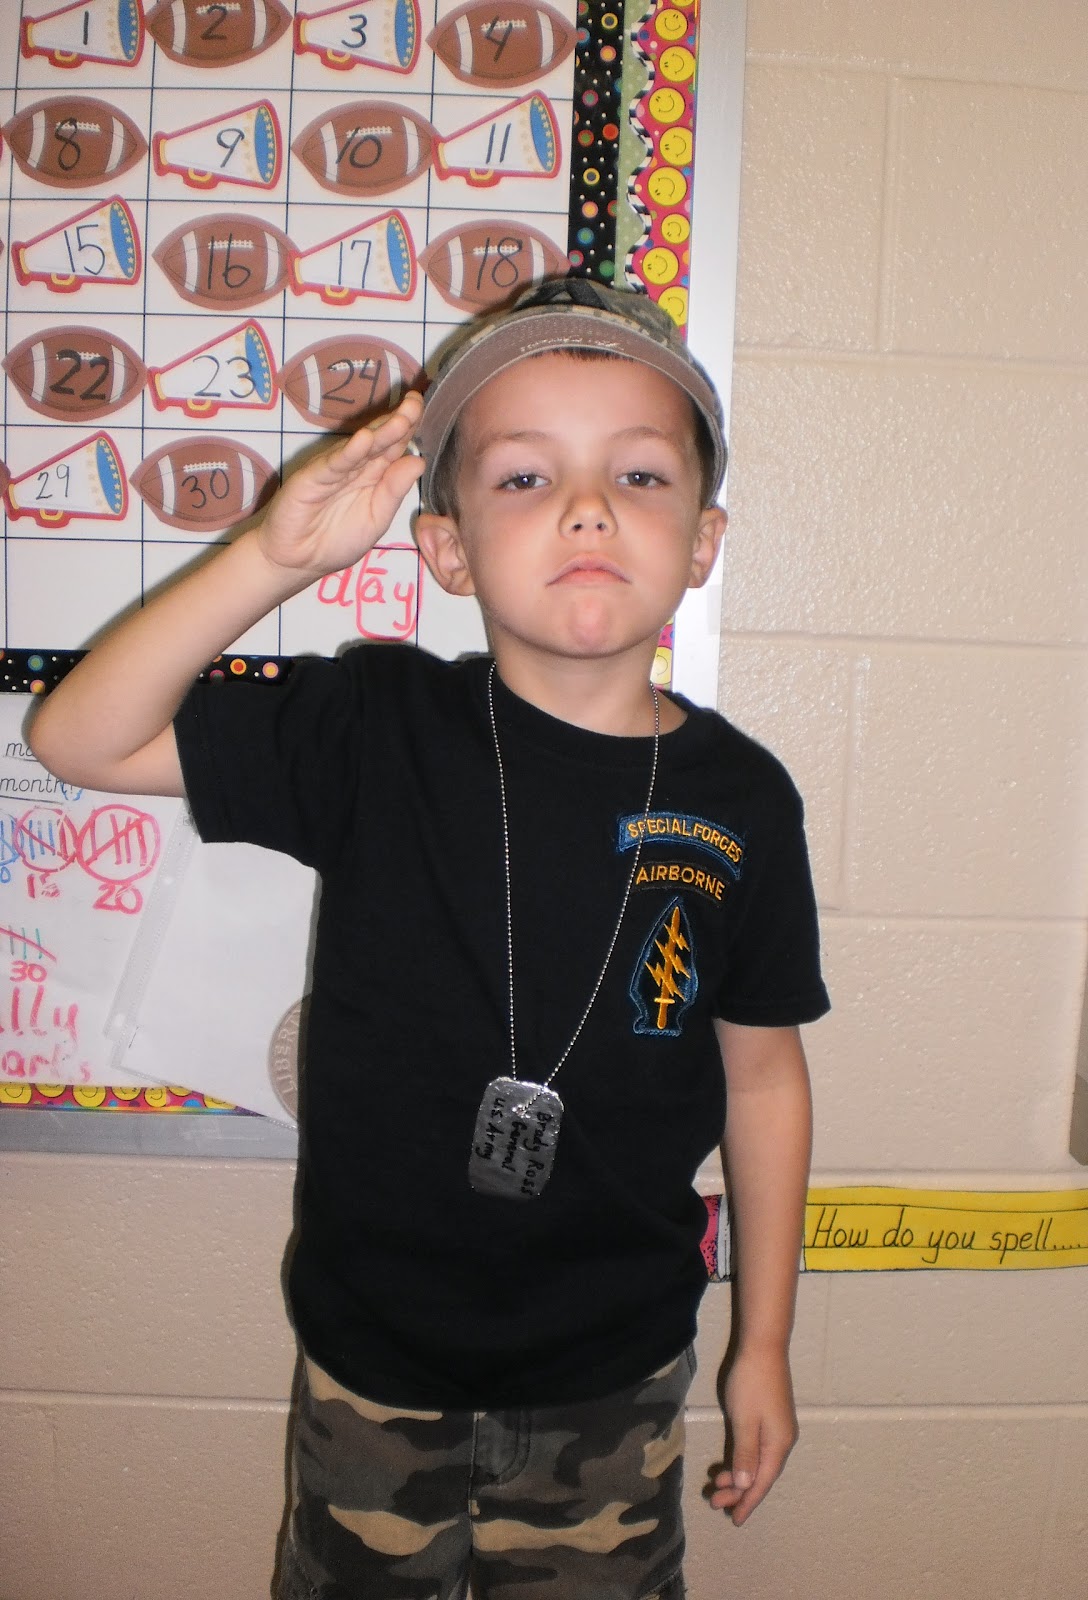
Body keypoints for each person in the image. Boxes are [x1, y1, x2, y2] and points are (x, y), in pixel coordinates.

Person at [30, 278, 829, 1600]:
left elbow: (764, 1077)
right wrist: (274, 559)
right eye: (524, 477)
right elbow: (78, 738)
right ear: (447, 549)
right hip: (373, 1373)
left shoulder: (742, 801)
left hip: (617, 1377)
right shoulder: (375, 725)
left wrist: (767, 1344)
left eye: (637, 472)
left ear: (703, 539)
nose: (585, 507)